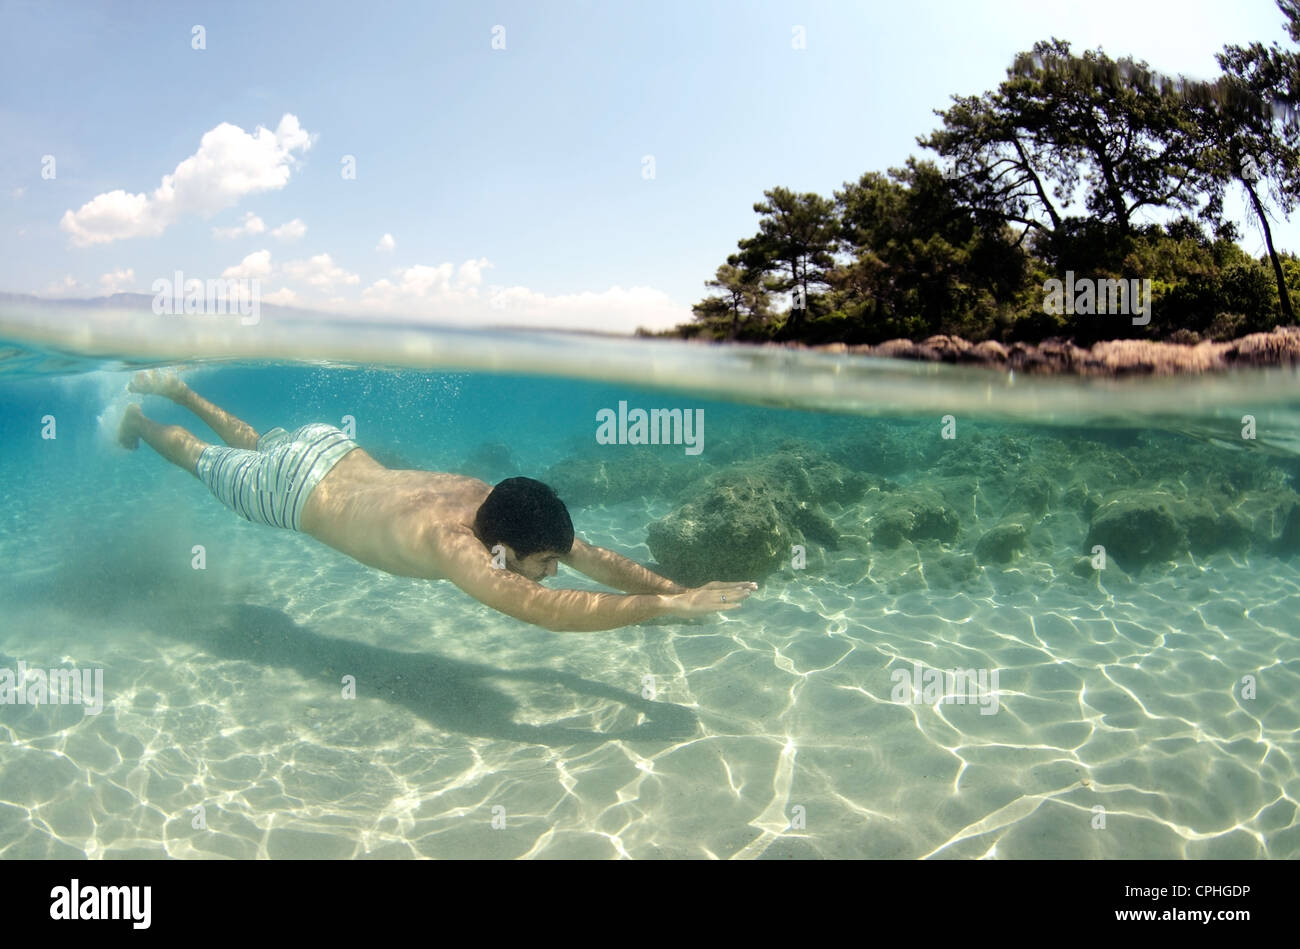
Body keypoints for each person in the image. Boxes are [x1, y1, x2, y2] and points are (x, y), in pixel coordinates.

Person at [117, 370, 756, 631]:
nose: (553, 570)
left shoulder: (494, 502)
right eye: (542, 563)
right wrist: (663, 611)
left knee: (258, 441)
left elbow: (591, 558)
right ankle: (144, 422)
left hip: (327, 449)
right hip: (293, 489)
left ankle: (182, 391)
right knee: (203, 460)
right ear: (502, 549)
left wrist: (677, 590)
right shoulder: (453, 545)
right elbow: (545, 609)